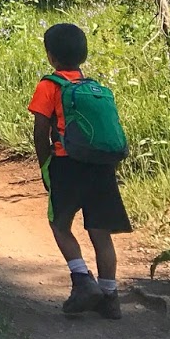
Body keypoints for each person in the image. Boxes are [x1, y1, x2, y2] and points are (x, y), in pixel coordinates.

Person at [29, 22, 131, 320]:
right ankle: (110, 297)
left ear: (51, 56)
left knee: (60, 224)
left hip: (67, 164)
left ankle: (82, 280)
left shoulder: (50, 85)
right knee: (100, 232)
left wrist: (45, 163)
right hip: (101, 166)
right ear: (82, 55)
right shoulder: (96, 88)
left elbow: (40, 130)